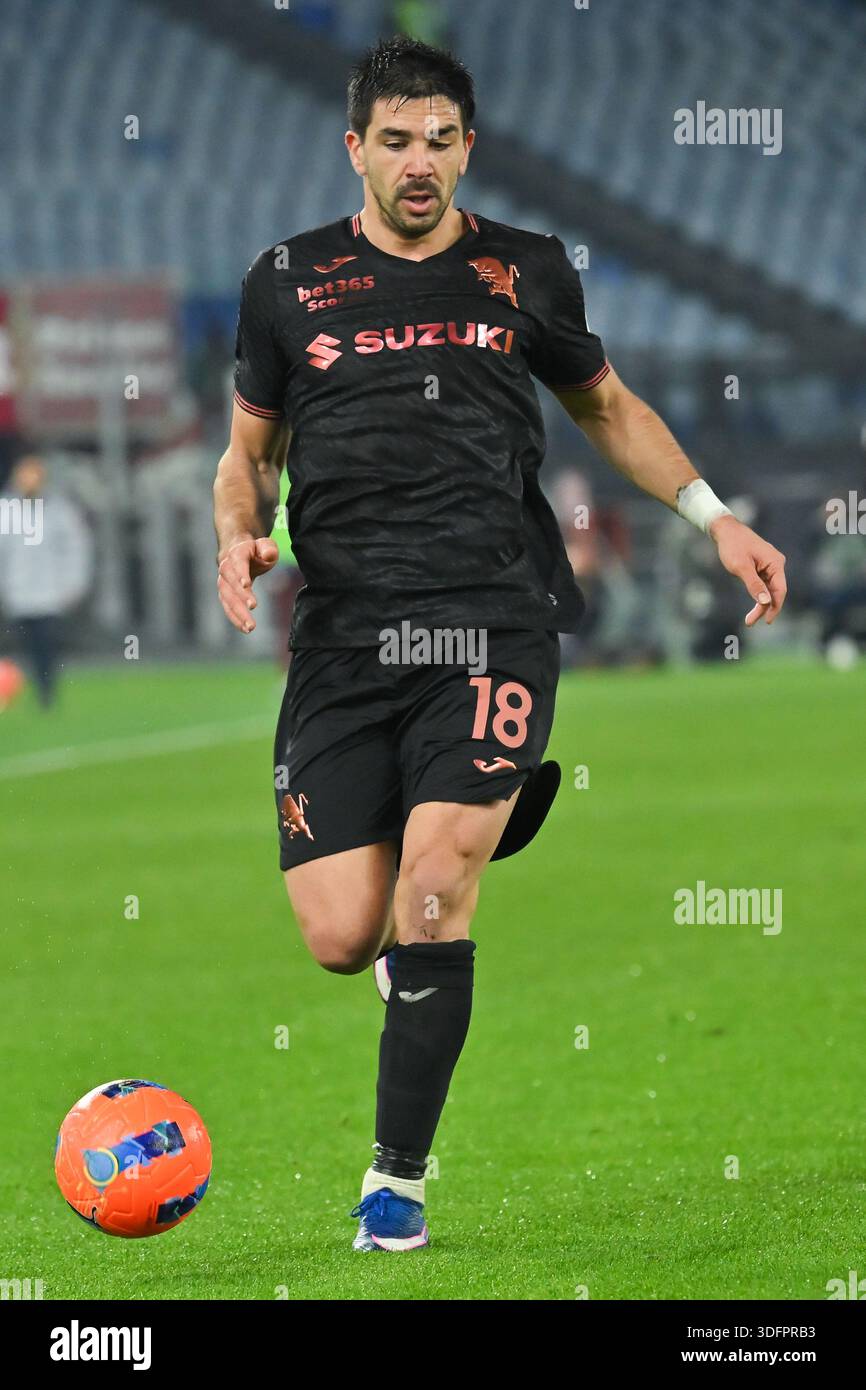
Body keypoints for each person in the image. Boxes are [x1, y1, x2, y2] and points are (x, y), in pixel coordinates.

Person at [212, 37, 787, 1252]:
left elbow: (609, 410)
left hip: (491, 621)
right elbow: (248, 452)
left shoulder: (525, 273)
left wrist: (712, 517)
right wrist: (240, 535)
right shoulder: (283, 281)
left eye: (440, 140)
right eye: (395, 140)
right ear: (355, 147)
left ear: (466, 146)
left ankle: (395, 1184)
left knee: (432, 891)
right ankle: (468, 829)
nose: (418, 163)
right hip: (341, 639)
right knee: (338, 933)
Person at [0, 451, 93, 708]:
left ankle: (46, 692)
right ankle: (16, 689)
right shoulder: (7, 510)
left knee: (45, 646)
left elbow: (76, 548)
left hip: (49, 592)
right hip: (15, 591)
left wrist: (74, 584)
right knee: (21, 645)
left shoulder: (59, 510)